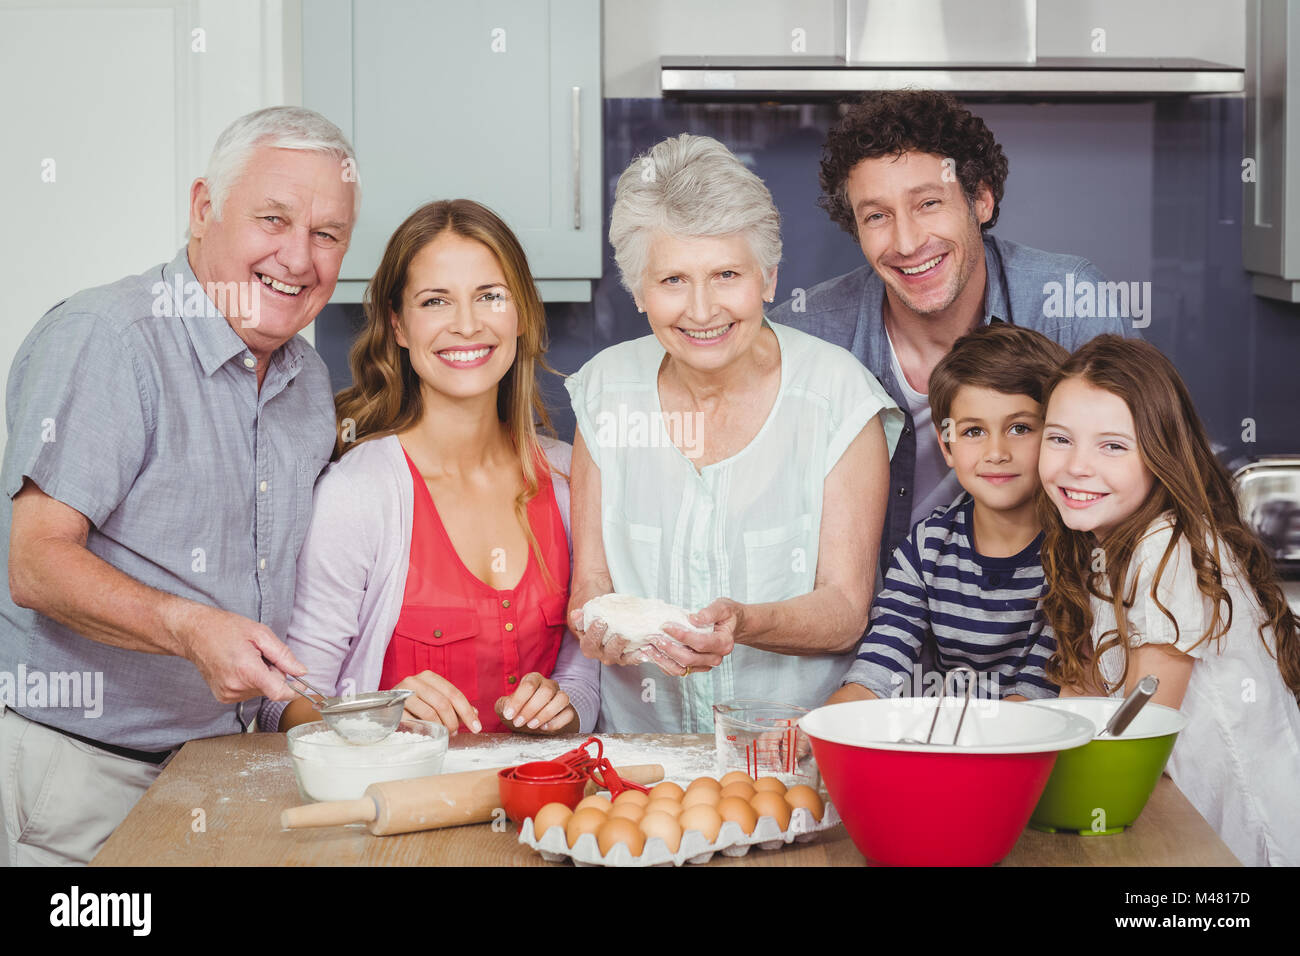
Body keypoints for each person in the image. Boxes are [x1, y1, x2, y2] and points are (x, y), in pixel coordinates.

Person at [0, 106, 358, 865]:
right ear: (203, 209)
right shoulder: (110, 337)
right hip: (70, 776)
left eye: (327, 234)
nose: (298, 257)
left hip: (213, 775)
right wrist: (190, 628)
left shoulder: (306, 380)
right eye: (273, 219)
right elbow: (34, 563)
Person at [565, 134, 903, 732]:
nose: (701, 309)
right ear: (639, 292)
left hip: (791, 762)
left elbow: (847, 610)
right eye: (672, 280)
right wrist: (599, 629)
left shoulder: (837, 397)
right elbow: (591, 581)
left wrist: (743, 623)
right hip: (639, 768)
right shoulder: (604, 393)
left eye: (726, 274)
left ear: (768, 279)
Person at [263, 200, 599, 739]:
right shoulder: (357, 494)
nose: (466, 325)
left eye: (490, 296)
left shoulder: (568, 478)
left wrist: (569, 703)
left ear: (521, 314)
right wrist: (377, 709)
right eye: (435, 301)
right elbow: (284, 704)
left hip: (539, 814)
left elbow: (584, 664)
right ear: (397, 325)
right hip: (393, 808)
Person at [769, 90, 1138, 576]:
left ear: (980, 199)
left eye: (928, 203)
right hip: (872, 635)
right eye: (877, 216)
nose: (906, 242)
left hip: (1043, 629)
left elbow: (1142, 487)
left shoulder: (1067, 303)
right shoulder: (804, 334)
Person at [1037, 335, 1300, 866]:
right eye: (1059, 438)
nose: (1077, 466)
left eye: (1112, 445)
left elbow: (1141, 729)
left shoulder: (1168, 549)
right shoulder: (1101, 542)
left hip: (1245, 840)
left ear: (1161, 454)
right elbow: (1081, 700)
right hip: (1184, 826)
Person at [829, 324, 1067, 705]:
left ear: (1058, 437)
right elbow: (876, 671)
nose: (996, 452)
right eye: (974, 432)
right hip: (954, 745)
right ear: (947, 446)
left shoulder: (1076, 552)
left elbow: (1038, 693)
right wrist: (821, 728)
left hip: (1037, 750)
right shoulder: (928, 547)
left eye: (1020, 428)